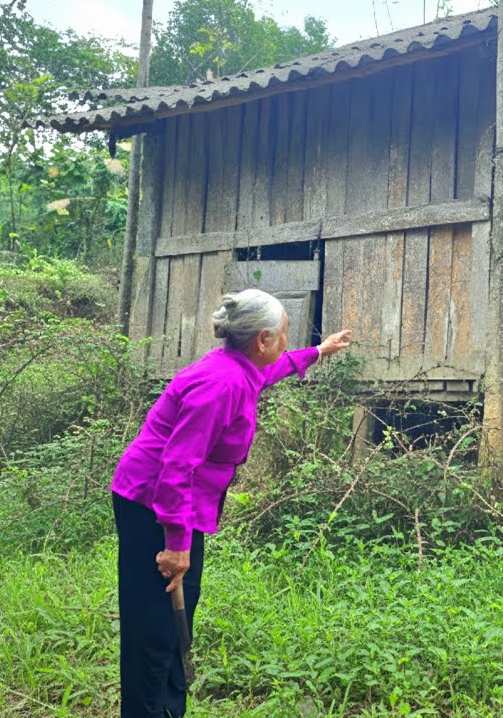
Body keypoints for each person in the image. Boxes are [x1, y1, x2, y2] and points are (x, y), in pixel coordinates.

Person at [111, 288, 352, 717]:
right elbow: (175, 467)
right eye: (282, 335)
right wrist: (176, 544)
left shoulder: (240, 368)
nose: (284, 342)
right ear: (261, 339)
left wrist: (318, 351)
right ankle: (146, 710)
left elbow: (275, 370)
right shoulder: (221, 385)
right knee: (154, 623)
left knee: (173, 616)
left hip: (177, 504)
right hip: (153, 503)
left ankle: (168, 708)